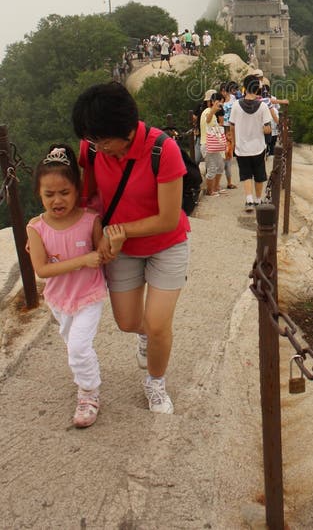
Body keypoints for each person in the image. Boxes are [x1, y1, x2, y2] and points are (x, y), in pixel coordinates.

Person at [72, 81, 190, 414]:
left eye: (102, 139)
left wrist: (120, 231)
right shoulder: (92, 148)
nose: (96, 146)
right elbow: (88, 199)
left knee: (157, 324)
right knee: (127, 322)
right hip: (121, 249)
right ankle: (148, 337)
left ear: (125, 130)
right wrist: (96, 234)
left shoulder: (161, 150)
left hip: (166, 244)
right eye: (91, 139)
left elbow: (168, 218)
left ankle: (155, 382)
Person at [26, 145, 106, 428]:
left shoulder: (89, 220)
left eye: (64, 192)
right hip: (59, 299)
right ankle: (88, 374)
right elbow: (42, 269)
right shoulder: (36, 228)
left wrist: (113, 244)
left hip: (89, 295)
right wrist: (83, 260)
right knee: (75, 345)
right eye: (49, 194)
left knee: (77, 347)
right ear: (39, 193)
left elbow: (102, 254)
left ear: (77, 189)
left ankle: (88, 392)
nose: (57, 200)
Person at [229, 74, 278, 212]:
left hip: (241, 147)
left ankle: (249, 199)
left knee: (246, 174)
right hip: (258, 147)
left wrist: (233, 142)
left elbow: (232, 126)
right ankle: (257, 199)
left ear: (245, 88)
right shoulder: (263, 106)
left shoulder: (236, 106)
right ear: (257, 90)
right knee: (259, 174)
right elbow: (268, 128)